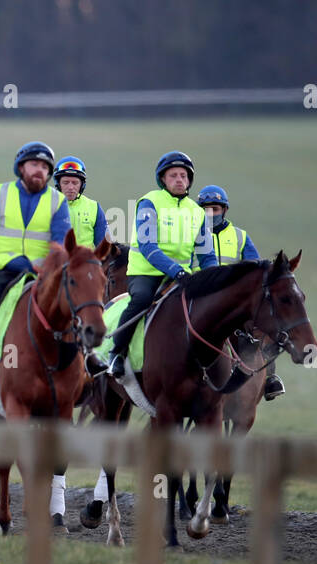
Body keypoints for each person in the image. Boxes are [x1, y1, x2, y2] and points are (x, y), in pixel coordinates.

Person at [0, 142, 72, 378]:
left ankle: (82, 361)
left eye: (44, 166)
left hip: (44, 274)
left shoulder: (57, 201)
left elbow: (61, 244)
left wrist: (47, 267)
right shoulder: (1, 193)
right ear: (21, 168)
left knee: (74, 304)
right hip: (5, 272)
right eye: (33, 164)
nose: (39, 170)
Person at [107, 151, 216, 379]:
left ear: (189, 180)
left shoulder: (198, 212)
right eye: (173, 175)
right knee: (142, 300)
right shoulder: (149, 202)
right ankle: (117, 353)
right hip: (146, 273)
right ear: (163, 179)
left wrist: (215, 278)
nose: (179, 179)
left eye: (183, 175)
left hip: (183, 275)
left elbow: (207, 256)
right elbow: (148, 246)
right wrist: (176, 270)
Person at [195, 184, 284, 400]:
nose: (210, 214)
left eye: (214, 209)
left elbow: (255, 269)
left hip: (233, 302)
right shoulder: (192, 235)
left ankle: (270, 378)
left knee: (262, 326)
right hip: (202, 298)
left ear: (224, 210)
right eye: (205, 210)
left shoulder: (240, 236)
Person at [53, 156, 108, 249]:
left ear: (82, 185)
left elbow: (105, 246)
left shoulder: (94, 207)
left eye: (75, 183)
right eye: (66, 182)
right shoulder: (46, 205)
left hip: (86, 262)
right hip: (55, 262)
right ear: (58, 184)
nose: (70, 187)